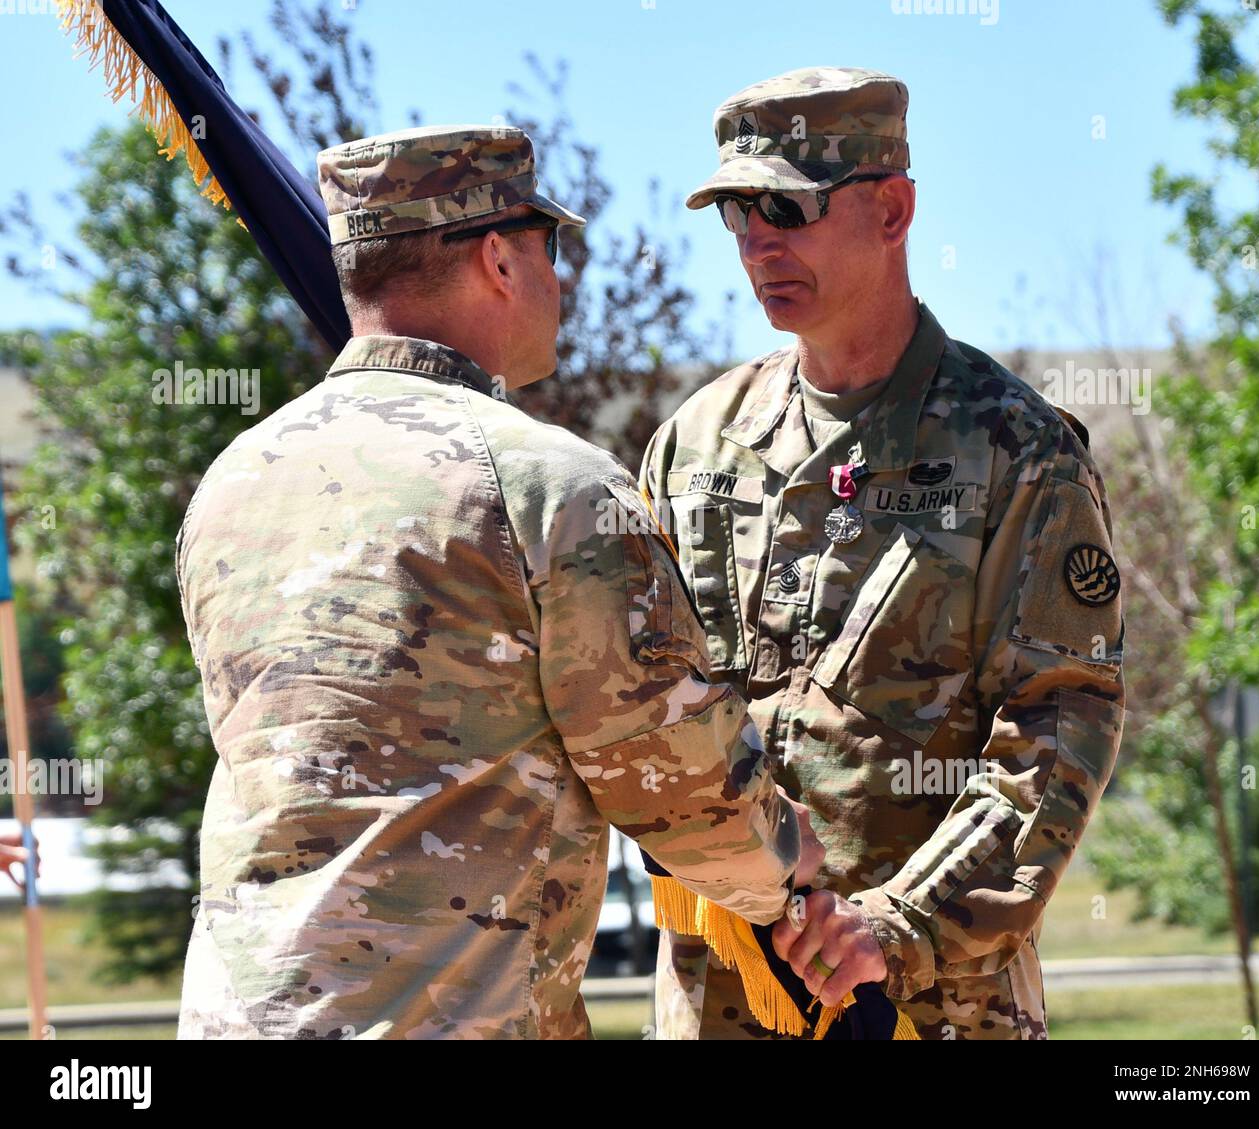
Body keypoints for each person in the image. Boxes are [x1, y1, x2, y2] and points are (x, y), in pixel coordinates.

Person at [176, 124, 821, 1040]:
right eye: (550, 245)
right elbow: (682, 786)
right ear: (499, 260)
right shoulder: (548, 488)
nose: (562, 279)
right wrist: (797, 863)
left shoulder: (232, 481)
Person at [641, 67, 1126, 1040]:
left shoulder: (1012, 448)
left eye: (786, 205)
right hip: (718, 998)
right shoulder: (691, 446)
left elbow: (1057, 729)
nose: (758, 242)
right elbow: (636, 704)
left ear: (894, 209)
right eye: (736, 214)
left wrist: (895, 926)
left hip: (925, 1006)